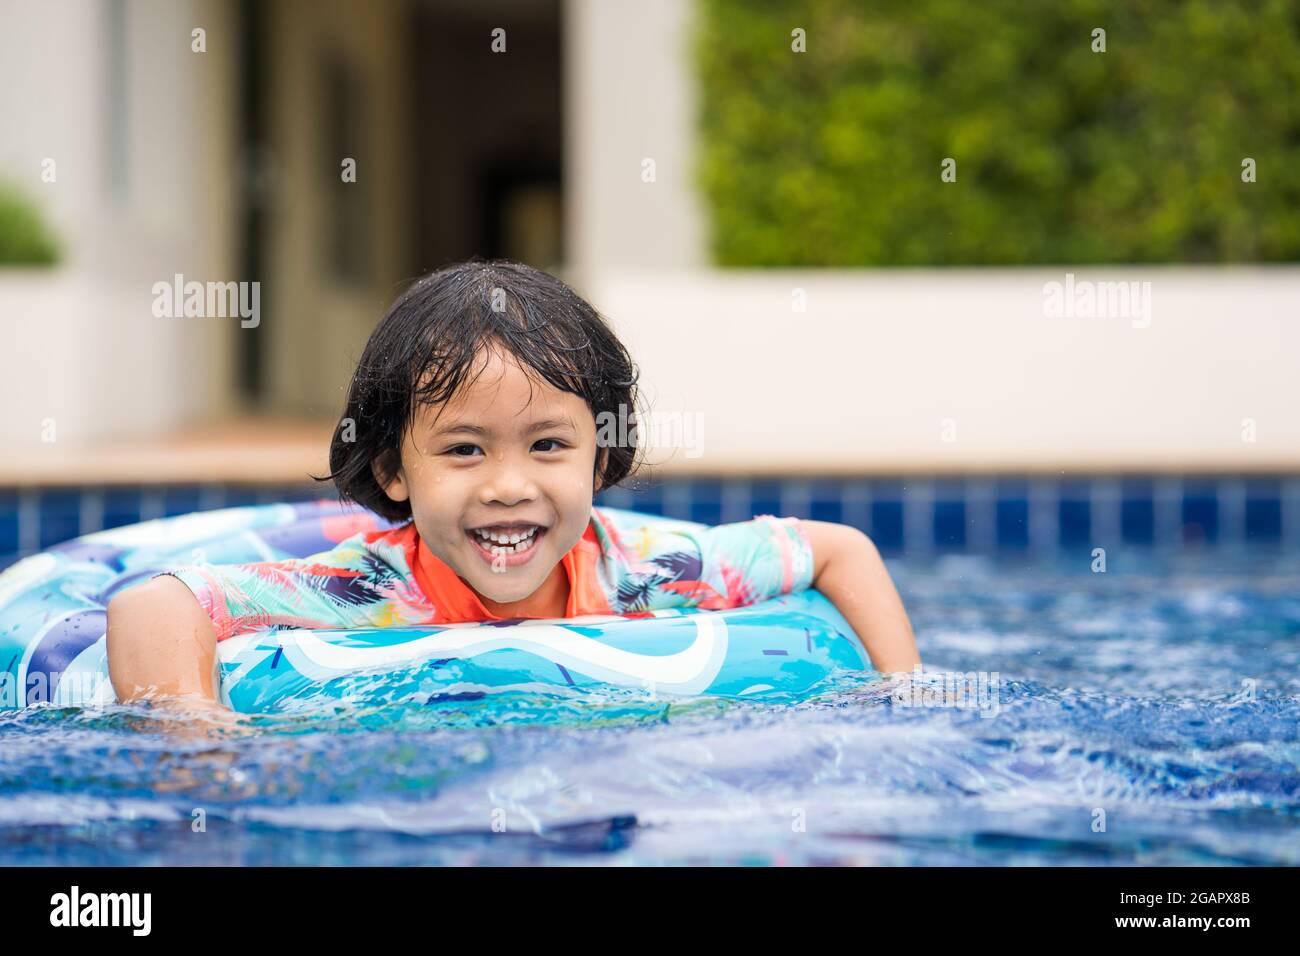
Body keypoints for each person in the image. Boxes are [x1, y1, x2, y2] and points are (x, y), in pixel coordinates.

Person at [106, 260, 920, 716]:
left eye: (548, 446)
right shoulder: (362, 591)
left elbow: (839, 550)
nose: (508, 485)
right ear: (393, 467)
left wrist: (906, 698)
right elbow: (151, 605)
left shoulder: (651, 572)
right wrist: (193, 730)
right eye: (463, 449)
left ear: (599, 458)